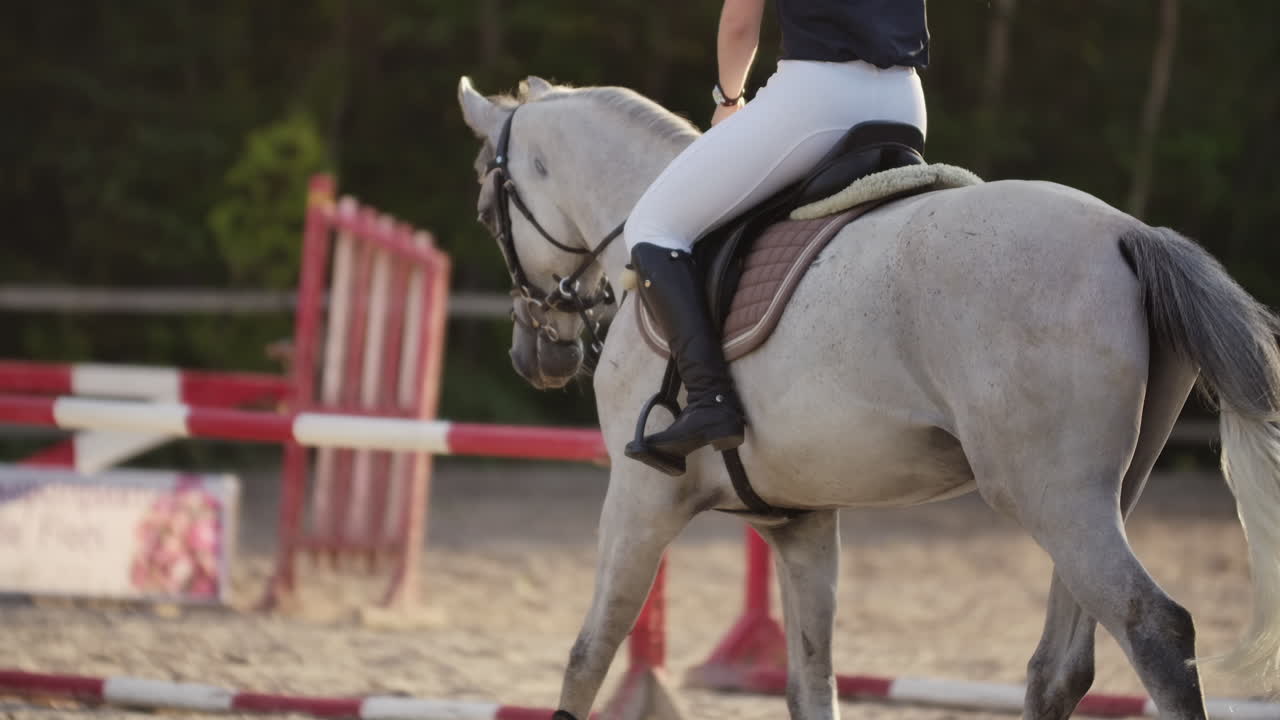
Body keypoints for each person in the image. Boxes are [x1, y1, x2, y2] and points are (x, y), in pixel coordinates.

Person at [625, 0, 929, 473]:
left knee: (652, 227)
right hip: (906, 101)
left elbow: (740, 23)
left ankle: (710, 399)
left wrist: (729, 100)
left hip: (818, 97)